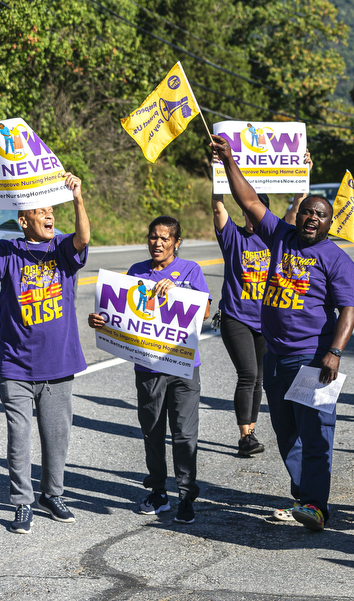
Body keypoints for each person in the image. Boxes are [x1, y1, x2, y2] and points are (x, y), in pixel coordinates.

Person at [211, 134, 354, 532]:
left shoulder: (337, 260)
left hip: (315, 360)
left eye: (320, 215)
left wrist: (335, 352)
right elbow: (249, 201)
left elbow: (348, 309)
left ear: (329, 224)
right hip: (275, 357)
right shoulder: (280, 236)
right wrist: (228, 160)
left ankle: (315, 504)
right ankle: (304, 495)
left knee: (317, 434)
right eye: (308, 212)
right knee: (285, 432)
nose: (312, 218)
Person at [0, 174, 89, 534]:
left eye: (50, 209)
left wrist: (77, 198)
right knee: (19, 437)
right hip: (15, 365)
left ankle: (52, 494)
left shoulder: (61, 249)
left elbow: (83, 238)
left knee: (56, 437)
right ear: (22, 220)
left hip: (58, 364)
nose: (48, 214)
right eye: (39, 210)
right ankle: (22, 502)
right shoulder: (9, 251)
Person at [88, 216, 210, 524]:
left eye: (165, 238)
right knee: (153, 433)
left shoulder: (190, 271)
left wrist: (178, 293)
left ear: (176, 243)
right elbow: (120, 316)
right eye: (153, 237)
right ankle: (158, 492)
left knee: (184, 435)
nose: (157, 243)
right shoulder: (136, 272)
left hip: (183, 367)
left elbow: (205, 312)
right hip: (148, 369)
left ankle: (185, 496)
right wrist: (101, 321)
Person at [212, 151, 309, 457]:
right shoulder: (234, 238)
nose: (251, 218)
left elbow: (296, 208)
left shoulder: (279, 238)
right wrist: (218, 174)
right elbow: (218, 206)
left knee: (261, 378)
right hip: (236, 317)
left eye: (257, 213)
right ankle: (246, 436)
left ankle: (251, 430)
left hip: (267, 320)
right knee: (248, 374)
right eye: (248, 213)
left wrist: (303, 173)